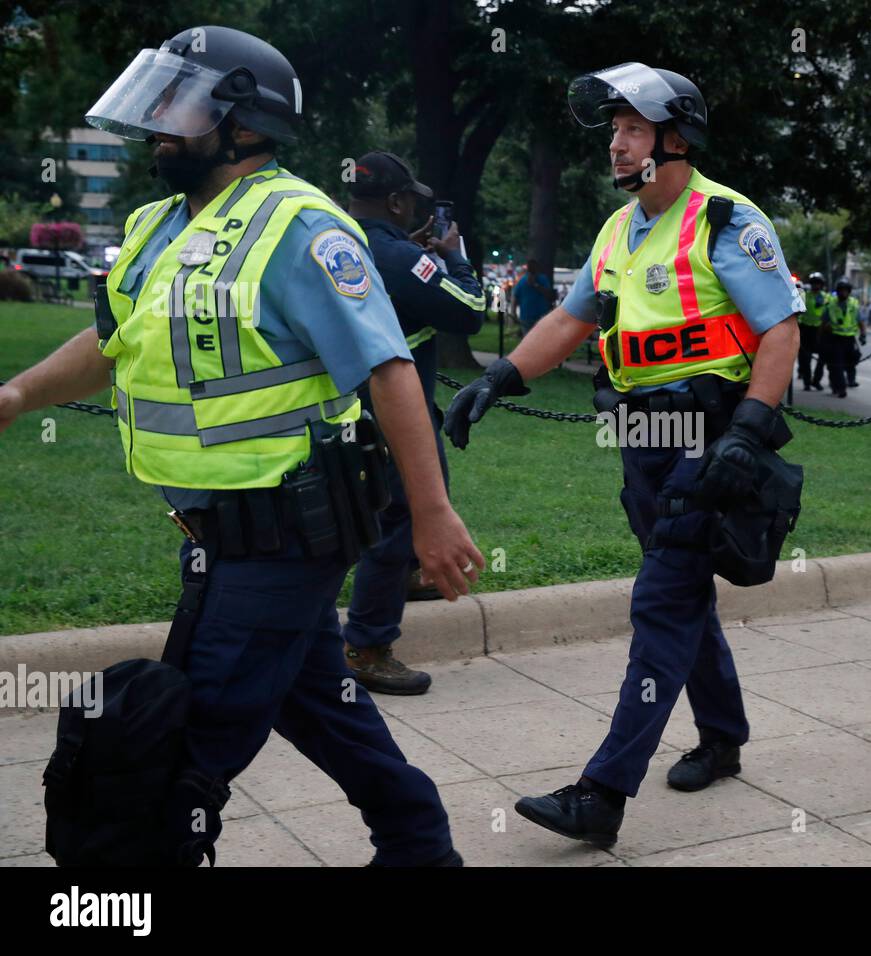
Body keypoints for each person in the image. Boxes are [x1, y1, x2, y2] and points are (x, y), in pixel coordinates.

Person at [0, 26, 482, 865]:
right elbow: (110, 341)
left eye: (175, 107)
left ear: (243, 124)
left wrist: (433, 516)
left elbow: (389, 369)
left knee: (174, 758)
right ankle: (420, 845)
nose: (156, 127)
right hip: (214, 531)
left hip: (287, 535)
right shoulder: (157, 226)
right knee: (319, 701)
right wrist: (16, 393)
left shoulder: (302, 225)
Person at [443, 62, 801, 848]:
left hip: (710, 436)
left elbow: (780, 330)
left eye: (631, 129)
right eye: (613, 130)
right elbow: (571, 322)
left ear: (675, 139)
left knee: (661, 600)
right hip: (640, 434)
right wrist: (499, 377)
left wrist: (746, 432)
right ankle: (724, 734)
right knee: (682, 592)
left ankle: (602, 793)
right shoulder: (618, 229)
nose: (616, 143)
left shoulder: (726, 220)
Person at [341, 150, 486, 694]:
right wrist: (454, 259)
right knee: (398, 515)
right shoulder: (402, 259)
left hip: (340, 409)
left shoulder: (332, 245)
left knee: (379, 509)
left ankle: (408, 573)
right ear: (398, 202)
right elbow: (469, 311)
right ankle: (368, 646)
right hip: (393, 413)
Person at [824, 277, 864, 398]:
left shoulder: (854, 304)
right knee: (837, 365)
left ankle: (850, 380)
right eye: (841, 290)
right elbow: (824, 323)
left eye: (846, 290)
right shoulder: (831, 305)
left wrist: (863, 334)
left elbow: (860, 320)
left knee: (851, 363)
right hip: (836, 339)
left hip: (850, 339)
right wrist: (822, 338)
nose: (843, 293)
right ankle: (841, 388)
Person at [798, 271, 828, 390]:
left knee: (823, 358)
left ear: (822, 284)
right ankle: (807, 381)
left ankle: (816, 380)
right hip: (806, 329)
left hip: (821, 331)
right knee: (805, 358)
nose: (816, 285)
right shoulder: (805, 295)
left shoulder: (827, 297)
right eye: (814, 283)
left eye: (818, 283)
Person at [514, 258, 555, 337]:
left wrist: (535, 284)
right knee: (527, 339)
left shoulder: (543, 279)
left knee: (541, 339)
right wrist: (514, 312)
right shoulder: (523, 280)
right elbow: (515, 297)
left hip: (541, 315)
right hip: (526, 317)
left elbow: (548, 294)